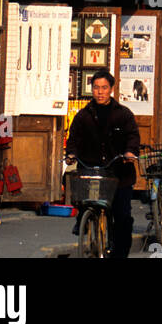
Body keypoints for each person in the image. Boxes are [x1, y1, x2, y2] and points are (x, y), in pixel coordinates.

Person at [65, 67, 139, 254]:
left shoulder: (123, 114)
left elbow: (132, 137)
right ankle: (84, 219)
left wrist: (130, 153)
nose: (100, 92)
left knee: (122, 217)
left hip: (119, 173)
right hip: (92, 170)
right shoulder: (83, 116)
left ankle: (120, 253)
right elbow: (73, 138)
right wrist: (71, 153)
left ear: (111, 89)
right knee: (85, 200)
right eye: (96, 87)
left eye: (104, 87)